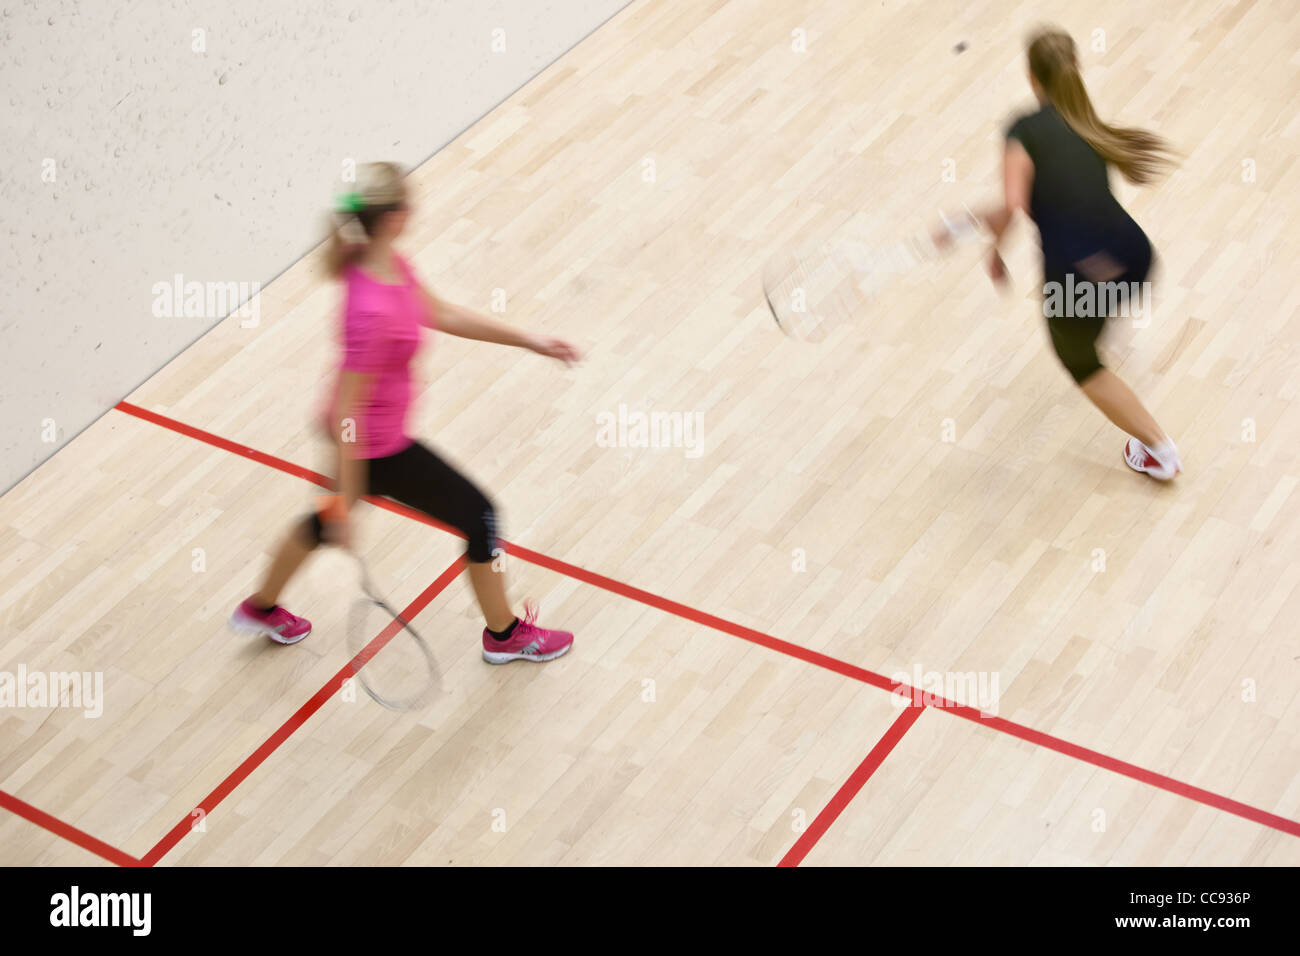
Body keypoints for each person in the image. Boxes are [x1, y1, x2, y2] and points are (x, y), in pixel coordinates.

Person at [230, 162, 579, 663]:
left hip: (350, 431)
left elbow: (443, 313)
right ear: (392, 217)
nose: (415, 211)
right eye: (408, 204)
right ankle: (504, 636)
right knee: (480, 517)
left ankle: (261, 608)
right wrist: (350, 486)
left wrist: (531, 341)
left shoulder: (383, 264)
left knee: (326, 521)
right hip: (371, 445)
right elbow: (351, 411)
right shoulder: (371, 308)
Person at [948, 27, 1181, 479]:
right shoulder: (1084, 119)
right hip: (1135, 257)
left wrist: (991, 249)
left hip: (1081, 278)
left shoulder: (1023, 132)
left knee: (1081, 363)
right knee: (1091, 313)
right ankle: (1100, 319)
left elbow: (1014, 204)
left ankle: (1160, 450)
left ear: (1031, 76)